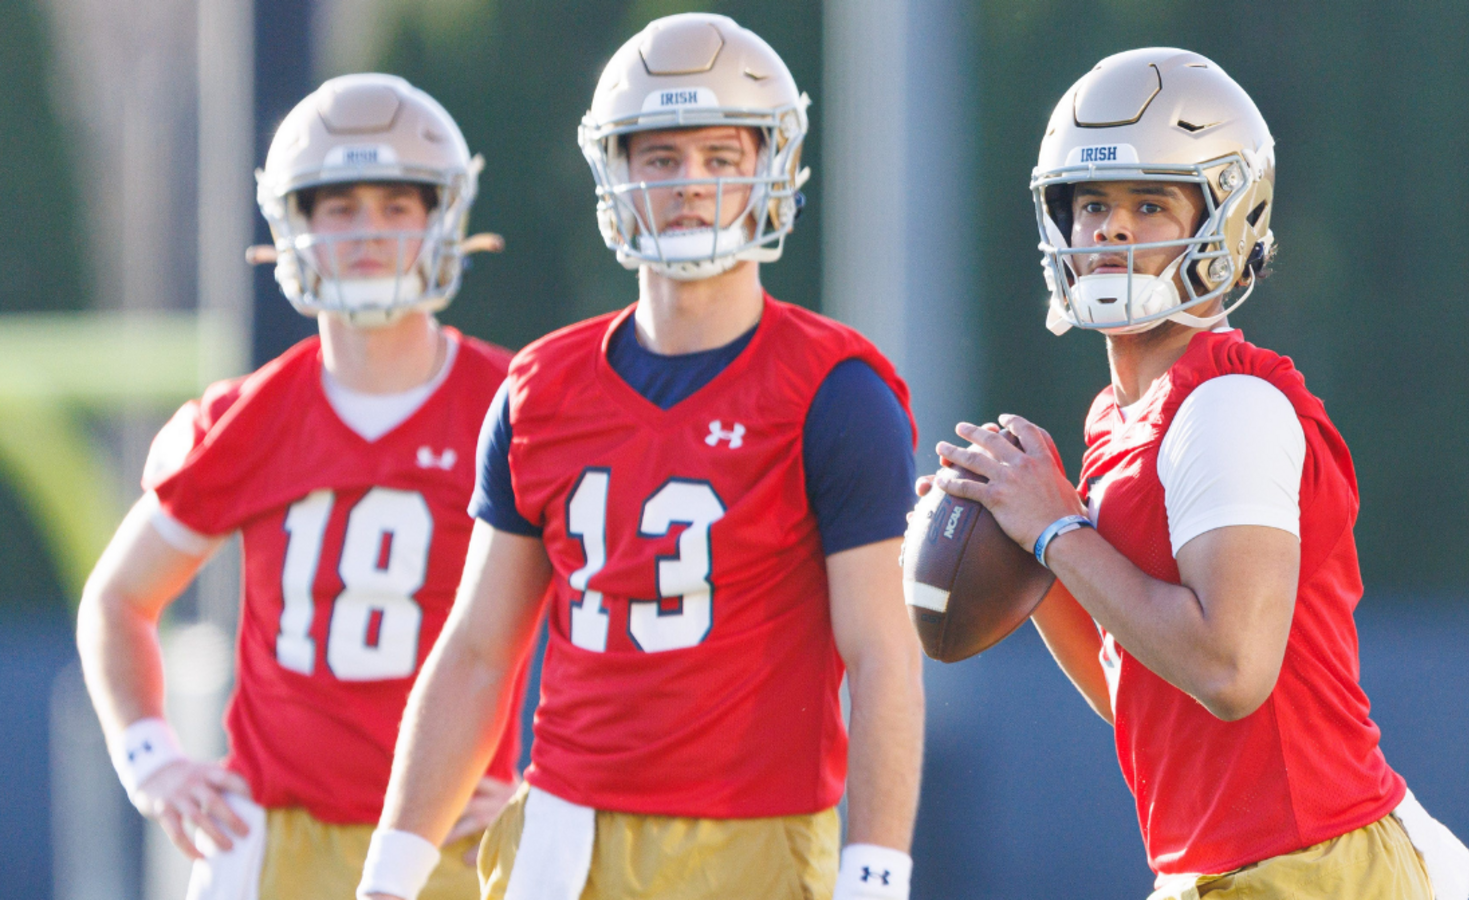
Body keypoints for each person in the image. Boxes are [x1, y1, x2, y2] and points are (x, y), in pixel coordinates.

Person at [357, 14, 924, 900]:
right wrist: (390, 874)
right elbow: (476, 651)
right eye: (660, 158)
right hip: (562, 835)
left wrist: (878, 872)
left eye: (721, 156)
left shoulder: (834, 392)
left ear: (770, 169)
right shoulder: (538, 389)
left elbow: (882, 653)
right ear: (614, 171)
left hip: (754, 838)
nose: (690, 184)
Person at [928, 48, 1469, 900]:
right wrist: (1023, 553)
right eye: (1094, 204)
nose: (1110, 229)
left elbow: (1227, 670)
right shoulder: (1118, 419)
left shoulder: (1228, 405)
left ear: (1227, 218)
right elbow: (1142, 689)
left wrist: (1057, 531)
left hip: (1305, 862)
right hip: (1226, 868)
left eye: (1149, 202)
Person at [76, 73, 525, 900]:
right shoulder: (249, 417)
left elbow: (605, 613)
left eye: (396, 207)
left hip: (451, 833)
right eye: (340, 207)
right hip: (277, 834)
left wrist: (549, 783)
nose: (368, 234)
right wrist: (151, 764)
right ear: (295, 224)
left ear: (441, 218)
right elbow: (116, 601)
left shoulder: (516, 407)